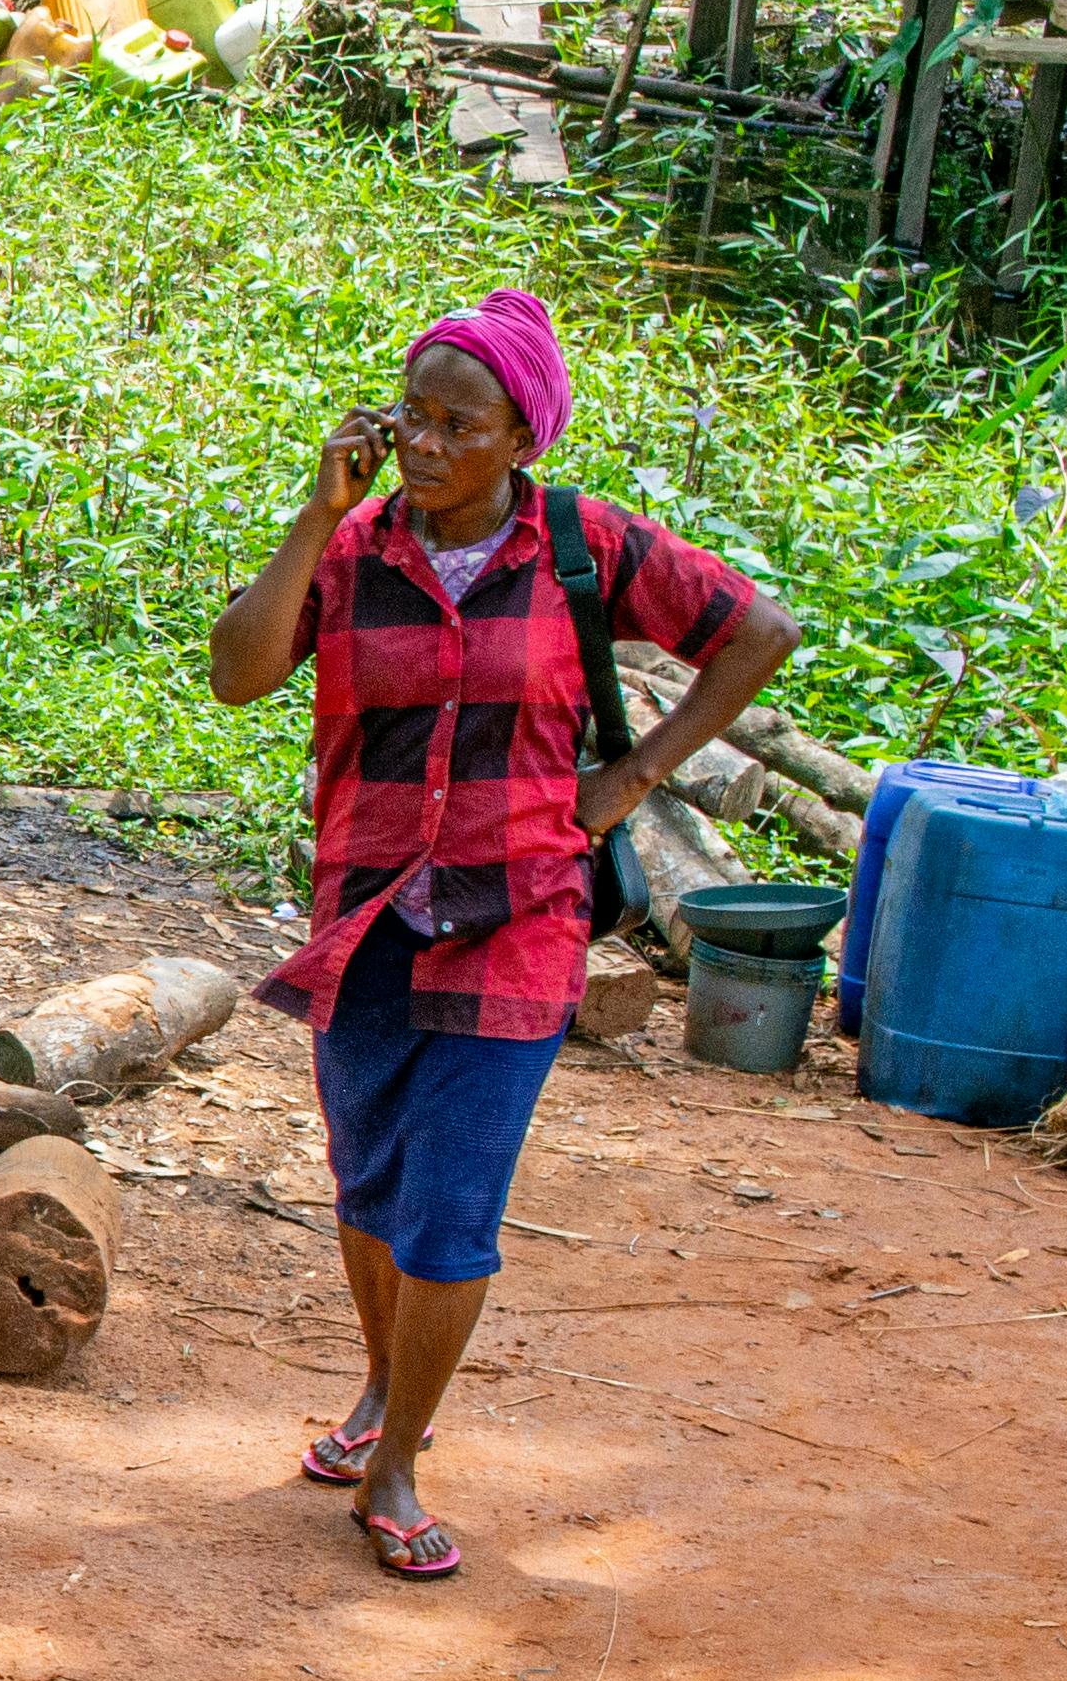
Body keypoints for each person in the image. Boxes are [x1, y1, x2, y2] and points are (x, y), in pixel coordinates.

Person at [204, 292, 802, 1583]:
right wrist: (317, 513)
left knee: (454, 1209)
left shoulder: (587, 547)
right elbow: (239, 671)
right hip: (367, 915)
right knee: (367, 1185)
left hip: (520, 917)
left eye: (455, 424)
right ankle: (377, 1385)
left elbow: (758, 631)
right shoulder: (356, 547)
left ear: (520, 438)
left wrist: (635, 777)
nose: (421, 441)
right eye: (410, 413)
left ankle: (399, 1463)